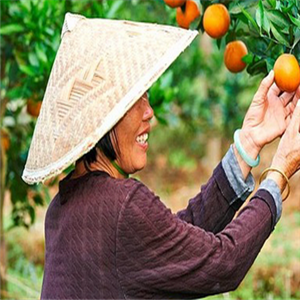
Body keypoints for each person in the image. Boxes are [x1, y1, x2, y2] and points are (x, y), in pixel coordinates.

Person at [22, 13, 300, 300]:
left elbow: (175, 242)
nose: (149, 112)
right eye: (137, 99)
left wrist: (249, 143)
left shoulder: (64, 207)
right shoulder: (121, 206)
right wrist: (278, 172)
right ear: (104, 117)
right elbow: (222, 263)